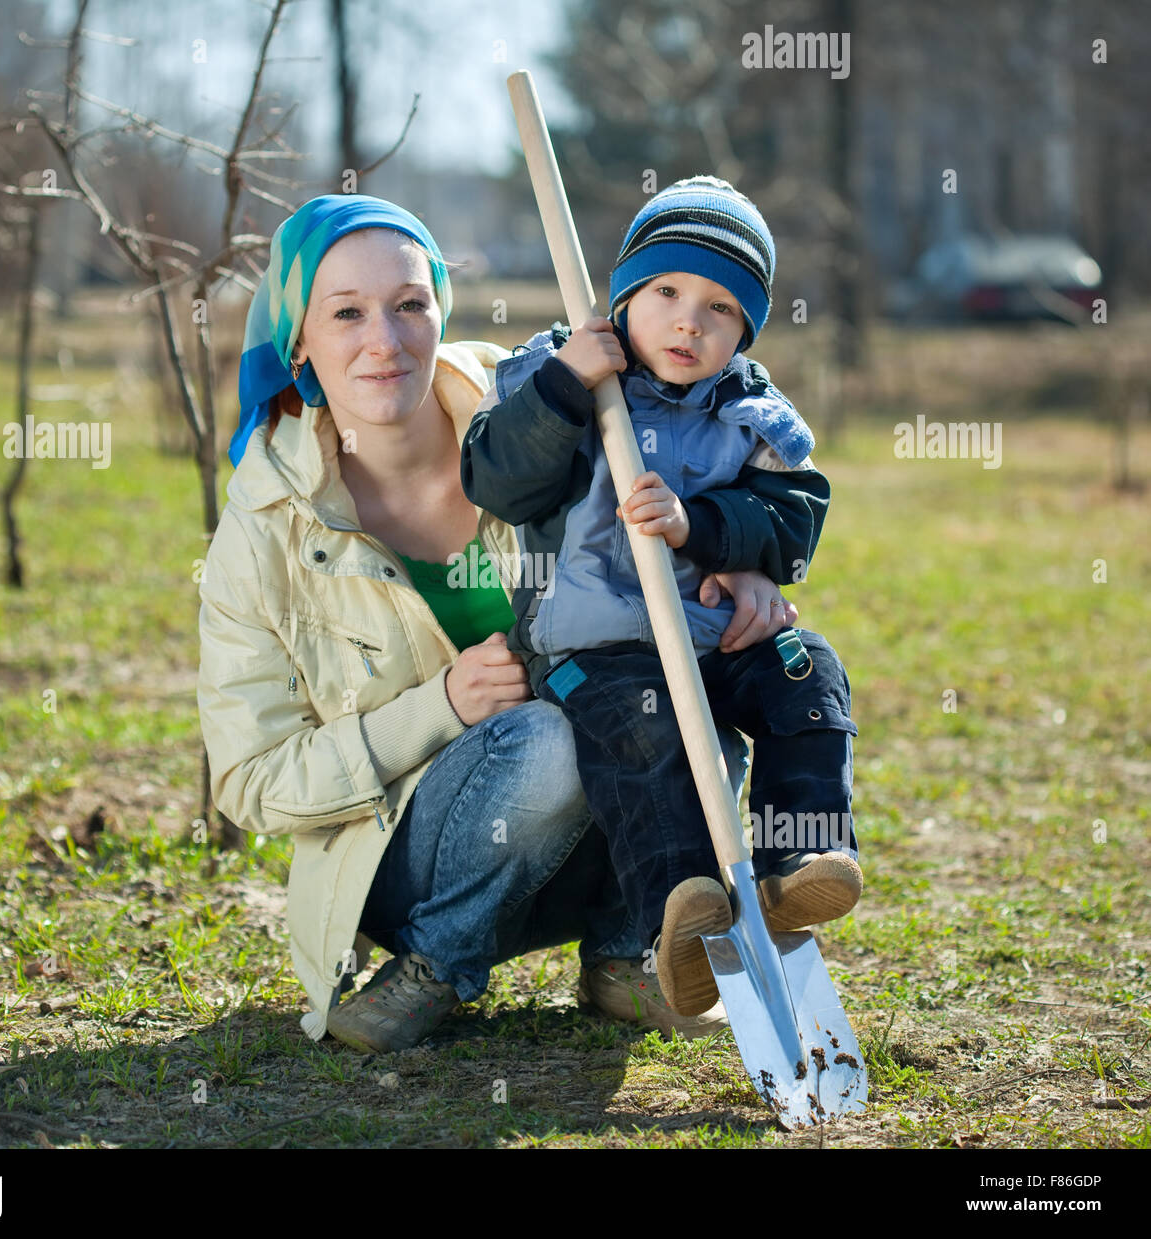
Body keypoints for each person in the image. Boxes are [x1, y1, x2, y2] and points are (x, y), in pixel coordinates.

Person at [197, 192, 805, 1054]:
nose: (387, 340)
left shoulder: (542, 400)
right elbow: (249, 781)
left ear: (440, 308)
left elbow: (691, 457)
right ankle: (433, 965)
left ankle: (627, 949)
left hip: (586, 821)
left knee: (690, 710)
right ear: (299, 338)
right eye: (347, 313)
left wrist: (736, 564)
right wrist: (441, 704)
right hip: (406, 861)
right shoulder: (266, 530)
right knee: (546, 739)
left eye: (411, 304)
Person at [460, 176, 863, 1019]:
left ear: (745, 330)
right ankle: (678, 919)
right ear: (625, 296)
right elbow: (497, 482)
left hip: (715, 637)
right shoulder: (561, 377)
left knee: (807, 667)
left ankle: (800, 859)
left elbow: (795, 515)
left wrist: (709, 527)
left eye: (721, 308)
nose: (689, 321)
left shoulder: (751, 411)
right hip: (593, 650)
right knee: (646, 733)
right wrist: (566, 388)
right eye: (668, 292)